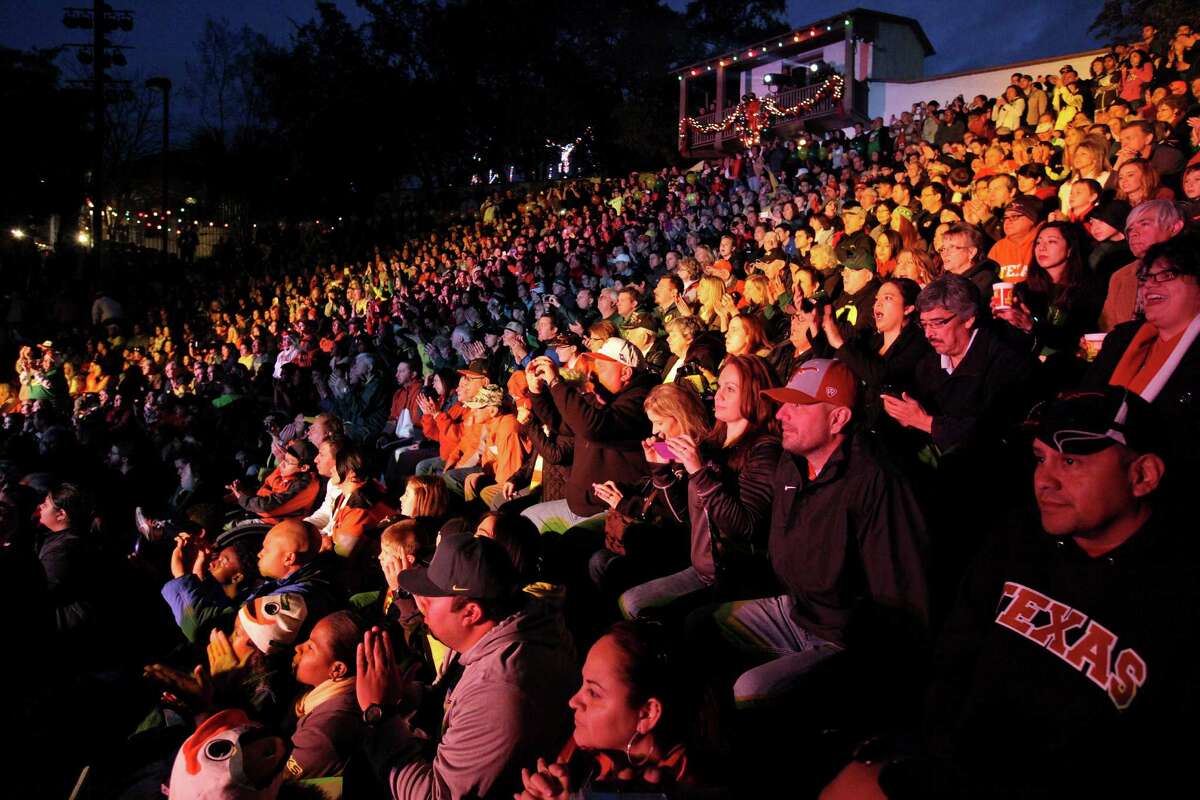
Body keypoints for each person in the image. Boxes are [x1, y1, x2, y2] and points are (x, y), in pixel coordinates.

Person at [822, 388, 1196, 798]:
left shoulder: (1176, 594)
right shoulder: (1017, 537)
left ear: (1142, 475)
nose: (1045, 481)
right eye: (1040, 459)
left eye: (1071, 461)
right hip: (958, 764)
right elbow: (954, 658)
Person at [698, 359, 928, 710]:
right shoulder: (792, 463)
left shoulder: (876, 481)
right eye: (784, 403)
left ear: (838, 419)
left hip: (844, 636)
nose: (781, 415)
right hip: (797, 609)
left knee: (752, 688)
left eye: (798, 405)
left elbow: (901, 602)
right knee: (699, 626)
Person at [355, 532, 579, 800]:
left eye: (431, 595)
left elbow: (435, 796)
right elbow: (452, 699)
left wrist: (380, 716)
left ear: (471, 613)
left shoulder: (499, 691)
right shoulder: (499, 631)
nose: (419, 601)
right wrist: (406, 695)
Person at [619, 355, 780, 619]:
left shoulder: (764, 451)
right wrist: (660, 471)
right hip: (702, 567)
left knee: (637, 605)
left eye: (731, 389)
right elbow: (686, 516)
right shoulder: (713, 443)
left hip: (733, 577)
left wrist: (699, 472)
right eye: (720, 387)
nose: (719, 395)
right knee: (629, 599)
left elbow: (745, 527)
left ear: (754, 394)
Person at [516, 621, 702, 799]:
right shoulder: (584, 752)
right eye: (582, 684)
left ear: (647, 713)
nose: (573, 702)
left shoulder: (684, 789)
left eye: (594, 693)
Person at [1086, 229, 1200, 467]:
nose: (1149, 286)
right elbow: (1087, 401)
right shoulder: (1121, 340)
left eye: (1166, 275)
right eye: (1146, 277)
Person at [521, 338, 654, 534]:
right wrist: (537, 391)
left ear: (626, 372)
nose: (594, 372)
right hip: (580, 505)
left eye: (602, 366)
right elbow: (562, 424)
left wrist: (557, 382)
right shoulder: (607, 396)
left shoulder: (641, 403)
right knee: (525, 521)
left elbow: (593, 427)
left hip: (608, 511)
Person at [820, 277, 931, 431]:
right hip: (859, 427)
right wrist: (814, 325)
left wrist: (840, 343)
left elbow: (882, 375)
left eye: (888, 298)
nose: (877, 304)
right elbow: (841, 360)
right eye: (877, 298)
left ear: (908, 308)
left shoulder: (918, 341)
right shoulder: (873, 339)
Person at [286, 610, 366, 780]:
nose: (298, 647)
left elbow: (276, 782)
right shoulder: (321, 696)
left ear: (337, 669)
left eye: (310, 647)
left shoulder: (322, 733)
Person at [1099, 199, 1185, 330]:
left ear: (1174, 227)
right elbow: (1107, 328)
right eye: (1130, 229)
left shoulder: (1190, 272)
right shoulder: (1120, 277)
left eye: (1144, 224)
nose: (1133, 233)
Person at [230, 439, 322, 524]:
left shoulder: (306, 485)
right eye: (284, 459)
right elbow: (265, 485)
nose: (281, 464)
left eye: (288, 462)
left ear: (304, 468)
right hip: (257, 508)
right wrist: (244, 493)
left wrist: (242, 497)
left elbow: (267, 508)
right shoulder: (285, 469)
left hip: (277, 523)